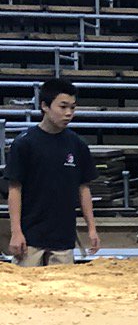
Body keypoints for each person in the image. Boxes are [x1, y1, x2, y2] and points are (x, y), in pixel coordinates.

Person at [6, 77, 99, 265]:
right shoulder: (24, 144)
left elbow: (84, 188)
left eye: (72, 107)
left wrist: (92, 228)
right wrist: (16, 232)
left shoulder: (77, 145)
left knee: (62, 292)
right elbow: (15, 189)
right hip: (30, 239)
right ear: (45, 106)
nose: (68, 113)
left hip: (63, 239)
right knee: (27, 290)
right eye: (62, 107)